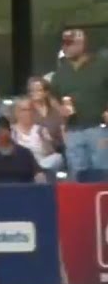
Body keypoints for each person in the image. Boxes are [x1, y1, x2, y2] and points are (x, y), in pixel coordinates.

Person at [50, 28, 108, 177]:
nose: (65, 47)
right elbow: (51, 96)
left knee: (102, 171)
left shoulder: (101, 64)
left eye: (69, 43)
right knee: (77, 174)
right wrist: (60, 109)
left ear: (81, 44)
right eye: (63, 44)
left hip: (99, 127)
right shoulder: (62, 71)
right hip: (73, 130)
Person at [12, 97, 63, 173]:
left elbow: (50, 152)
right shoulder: (11, 131)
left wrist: (45, 141)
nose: (28, 113)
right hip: (21, 164)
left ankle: (39, 171)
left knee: (58, 157)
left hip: (41, 163)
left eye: (30, 110)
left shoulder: (41, 129)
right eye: (24, 110)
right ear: (17, 112)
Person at [0, 117, 44, 183]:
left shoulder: (24, 153)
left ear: (10, 131)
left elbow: (39, 174)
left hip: (24, 190)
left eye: (2, 130)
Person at [25, 76, 64, 150]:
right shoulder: (26, 110)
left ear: (46, 93)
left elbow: (62, 138)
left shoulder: (55, 112)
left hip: (52, 150)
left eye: (38, 90)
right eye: (32, 90)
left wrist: (50, 140)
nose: (34, 93)